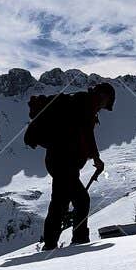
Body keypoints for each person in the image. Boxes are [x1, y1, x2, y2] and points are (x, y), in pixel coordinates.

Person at [39, 82, 114, 250]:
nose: (104, 106)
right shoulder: (86, 104)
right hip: (63, 163)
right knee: (81, 200)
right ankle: (78, 240)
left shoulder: (80, 102)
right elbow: (87, 133)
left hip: (59, 161)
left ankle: (51, 244)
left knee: (60, 202)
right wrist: (96, 158)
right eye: (106, 102)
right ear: (103, 96)